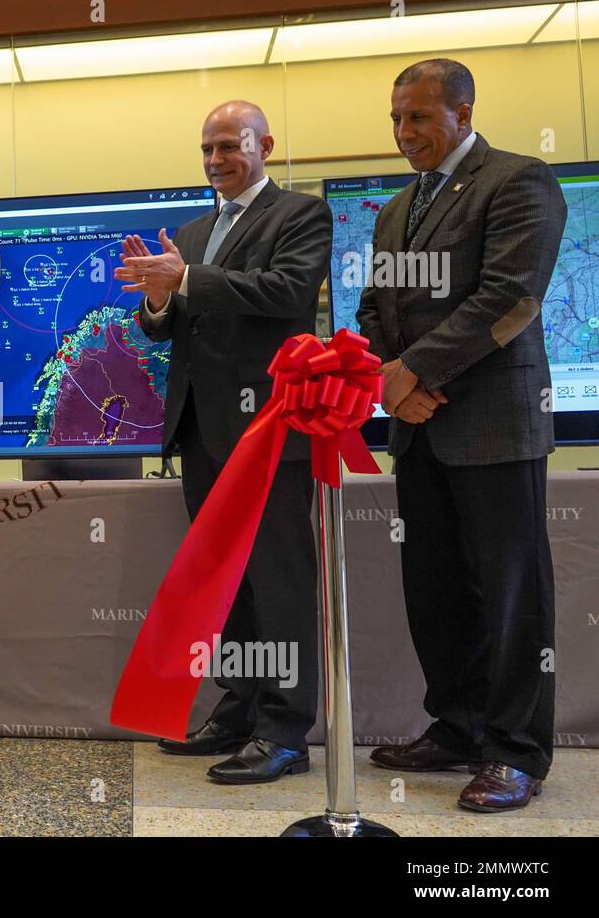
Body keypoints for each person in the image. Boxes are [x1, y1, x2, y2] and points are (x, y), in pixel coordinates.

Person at [358, 59, 564, 812]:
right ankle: (460, 726)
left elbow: (510, 299)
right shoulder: (392, 210)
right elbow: (374, 306)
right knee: (436, 592)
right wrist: (391, 375)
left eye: (418, 117)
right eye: (396, 119)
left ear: (464, 112)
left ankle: (517, 753)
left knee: (512, 596)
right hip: (419, 429)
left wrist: (408, 371)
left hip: (493, 425)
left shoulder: (518, 180)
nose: (405, 133)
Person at [118, 100, 332, 784]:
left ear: (264, 144)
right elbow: (172, 322)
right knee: (226, 586)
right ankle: (239, 708)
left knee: (280, 582)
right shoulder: (194, 227)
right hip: (200, 432)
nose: (215, 161)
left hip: (268, 431)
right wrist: (157, 299)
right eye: (206, 149)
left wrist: (186, 280)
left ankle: (286, 730)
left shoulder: (300, 215)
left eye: (228, 148)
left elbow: (286, 291)